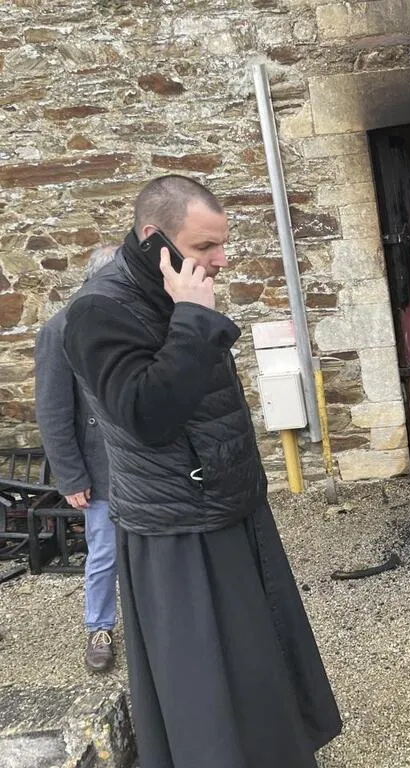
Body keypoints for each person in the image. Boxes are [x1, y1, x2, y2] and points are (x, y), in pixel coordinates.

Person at [61, 174, 342, 768]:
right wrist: (191, 316)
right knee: (206, 684)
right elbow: (147, 415)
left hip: (228, 506)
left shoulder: (173, 286)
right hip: (175, 528)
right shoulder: (97, 311)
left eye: (221, 244)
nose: (219, 260)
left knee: (259, 660)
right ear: (153, 237)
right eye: (204, 247)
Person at [35, 244, 118, 672]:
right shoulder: (59, 328)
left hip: (142, 466)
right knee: (104, 552)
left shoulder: (131, 320)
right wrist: (70, 477)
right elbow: (52, 410)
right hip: (98, 468)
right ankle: (99, 628)